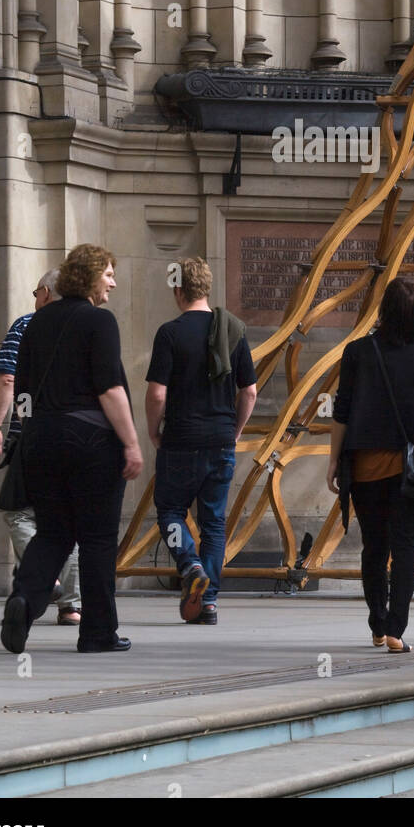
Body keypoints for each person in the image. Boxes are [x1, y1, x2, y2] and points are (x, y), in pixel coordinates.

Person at [0, 244, 143, 655]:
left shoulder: (36, 323)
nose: (114, 283)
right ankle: (98, 634)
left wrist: (33, 435)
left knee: (53, 534)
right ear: (92, 276)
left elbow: (23, 394)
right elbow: (110, 388)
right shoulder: (100, 322)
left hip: (41, 439)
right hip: (92, 442)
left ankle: (24, 602)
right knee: (97, 538)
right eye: (109, 275)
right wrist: (131, 443)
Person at [328, 278, 414, 653]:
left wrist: (333, 460)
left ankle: (378, 624)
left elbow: (342, 412)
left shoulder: (357, 352)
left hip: (364, 470)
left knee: (374, 549)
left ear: (384, 311)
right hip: (409, 473)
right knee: (406, 549)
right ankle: (396, 629)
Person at [145, 257, 257, 626]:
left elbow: (157, 394)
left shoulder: (169, 333)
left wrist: (152, 430)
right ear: (206, 288)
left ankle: (190, 564)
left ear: (178, 290)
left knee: (171, 512)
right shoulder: (233, 331)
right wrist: (236, 430)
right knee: (213, 523)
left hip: (179, 440)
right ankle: (207, 602)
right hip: (221, 440)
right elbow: (250, 392)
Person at [0, 270, 81, 626]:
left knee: (19, 511)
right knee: (67, 518)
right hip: (79, 435)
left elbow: (9, 377)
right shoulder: (88, 325)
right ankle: (72, 606)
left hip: (35, 433)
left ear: (45, 292)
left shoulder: (28, 324)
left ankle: (45, 575)